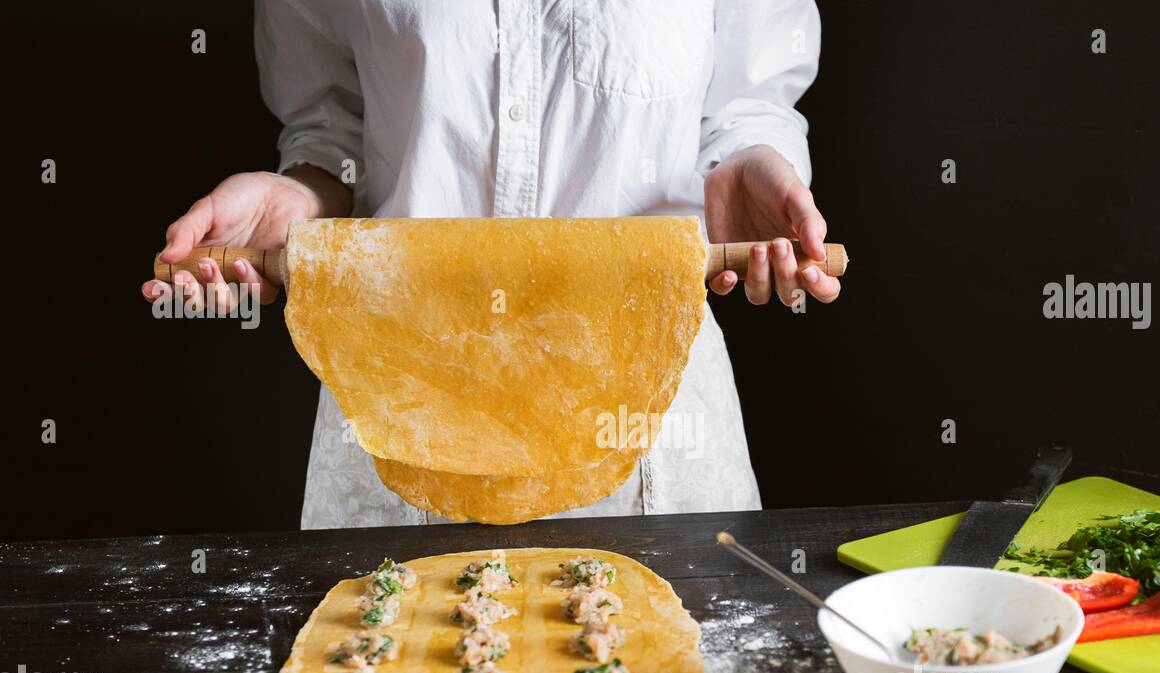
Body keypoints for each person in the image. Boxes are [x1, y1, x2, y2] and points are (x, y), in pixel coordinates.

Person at [142, 1, 840, 529]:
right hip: (394, 410)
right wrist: (297, 194)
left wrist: (747, 162)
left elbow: (746, 107)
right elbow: (333, 129)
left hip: (651, 429)